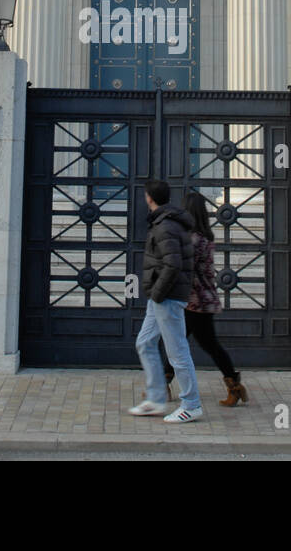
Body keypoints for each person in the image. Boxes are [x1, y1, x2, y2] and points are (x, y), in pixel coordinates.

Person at [160, 191, 248, 406]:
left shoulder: (193, 240)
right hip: (203, 301)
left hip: (194, 302)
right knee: (207, 345)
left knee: (178, 344)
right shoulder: (205, 237)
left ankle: (162, 387)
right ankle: (234, 386)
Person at [127, 179, 203, 423]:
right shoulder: (167, 223)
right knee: (145, 343)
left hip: (167, 297)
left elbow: (173, 264)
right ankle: (156, 398)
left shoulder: (165, 226)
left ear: (149, 198)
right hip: (161, 297)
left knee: (177, 352)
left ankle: (191, 405)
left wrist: (158, 293)